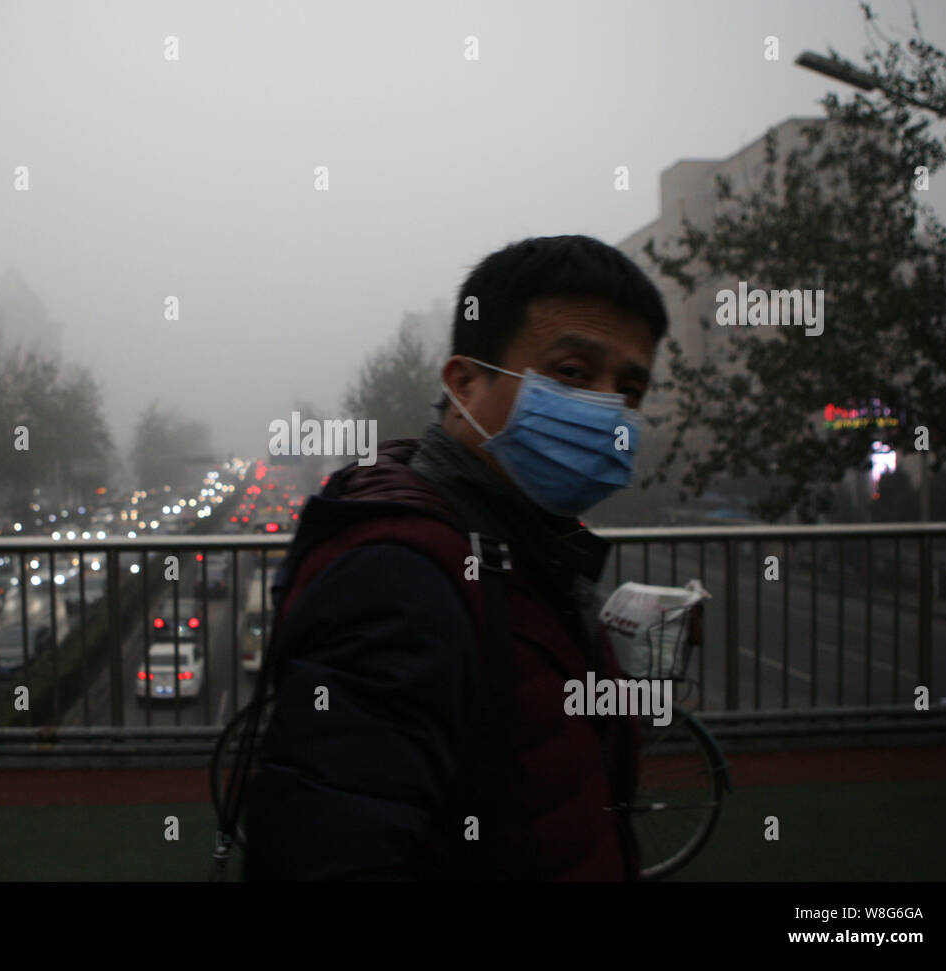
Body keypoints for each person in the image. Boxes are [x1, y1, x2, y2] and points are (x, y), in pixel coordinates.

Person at [241, 234, 669, 880]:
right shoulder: (397, 577)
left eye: (630, 388)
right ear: (464, 384)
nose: (611, 412)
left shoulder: (527, 544)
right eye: (573, 374)